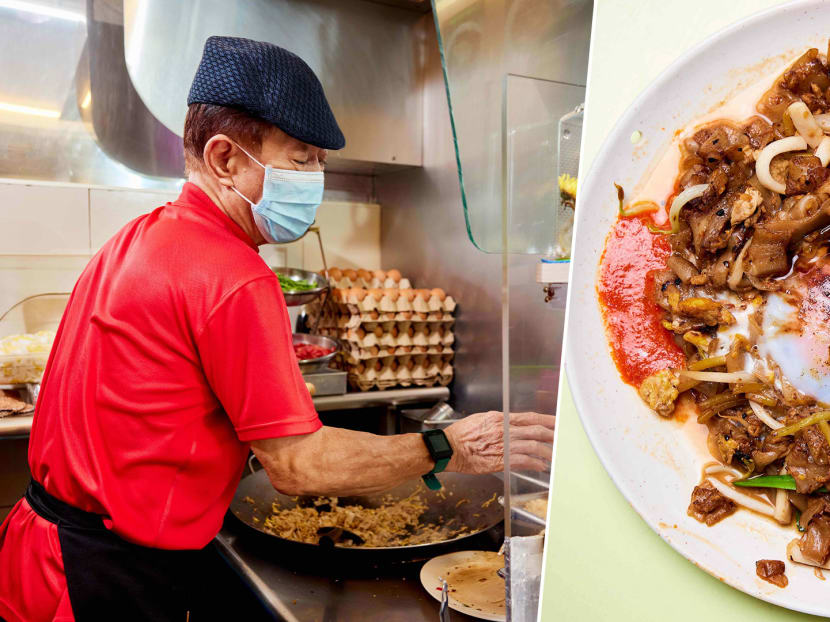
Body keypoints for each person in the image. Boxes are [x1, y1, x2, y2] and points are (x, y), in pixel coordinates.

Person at [0, 36, 554, 621]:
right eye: (301, 158)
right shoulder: (234, 275)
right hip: (105, 580)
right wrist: (448, 446)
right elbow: (300, 466)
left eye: (321, 162)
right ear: (224, 159)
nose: (316, 178)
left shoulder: (140, 236)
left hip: (40, 552)